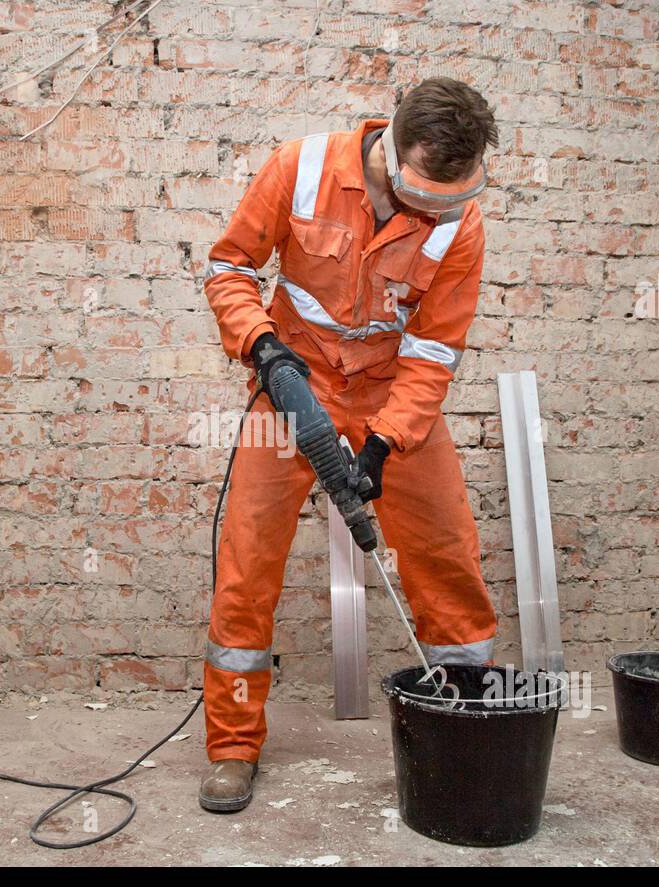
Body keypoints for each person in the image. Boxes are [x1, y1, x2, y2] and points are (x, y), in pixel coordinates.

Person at [198, 78, 501, 812]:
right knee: (247, 560)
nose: (435, 212)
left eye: (448, 199)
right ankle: (233, 747)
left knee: (445, 550)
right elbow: (230, 267)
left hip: (390, 392)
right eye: (424, 196)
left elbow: (434, 350)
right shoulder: (299, 168)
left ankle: (470, 722)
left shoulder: (459, 224)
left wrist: (386, 443)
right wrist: (262, 348)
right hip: (291, 385)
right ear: (390, 156)